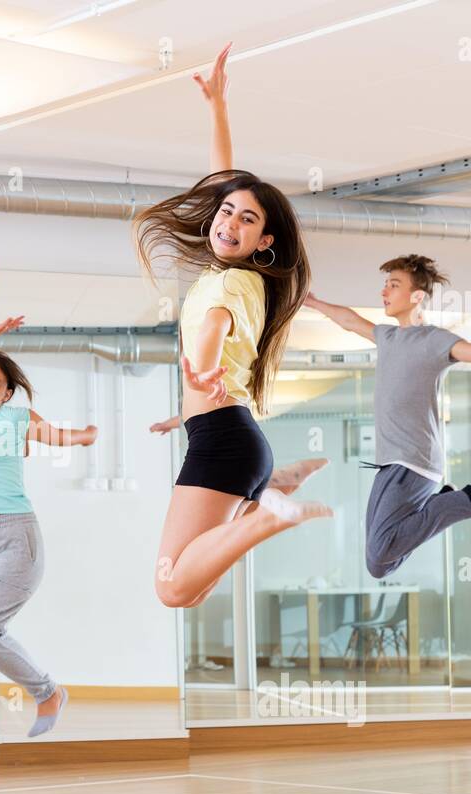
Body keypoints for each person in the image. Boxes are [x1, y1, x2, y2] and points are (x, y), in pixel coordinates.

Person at [133, 41, 331, 611]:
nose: (229, 221)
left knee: (172, 586)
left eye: (248, 219)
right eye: (226, 211)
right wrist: (218, 106)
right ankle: (273, 494)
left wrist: (199, 372)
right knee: (191, 591)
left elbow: (214, 330)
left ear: (263, 241)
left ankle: (267, 511)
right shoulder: (246, 280)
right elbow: (225, 178)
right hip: (233, 439)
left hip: (224, 440)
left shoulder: (228, 286)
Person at [305, 255, 471, 578]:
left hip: (414, 459)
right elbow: (349, 320)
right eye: (385, 285)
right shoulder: (387, 336)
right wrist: (313, 302)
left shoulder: (433, 340)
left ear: (417, 296)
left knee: (381, 549)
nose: (384, 291)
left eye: (393, 285)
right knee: (378, 564)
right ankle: (444, 501)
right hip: (391, 461)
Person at [0, 318, 97, 778]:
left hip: (15, 538)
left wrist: (83, 437)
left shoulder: (15, 418)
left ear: (7, 394)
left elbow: (54, 435)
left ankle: (47, 691)